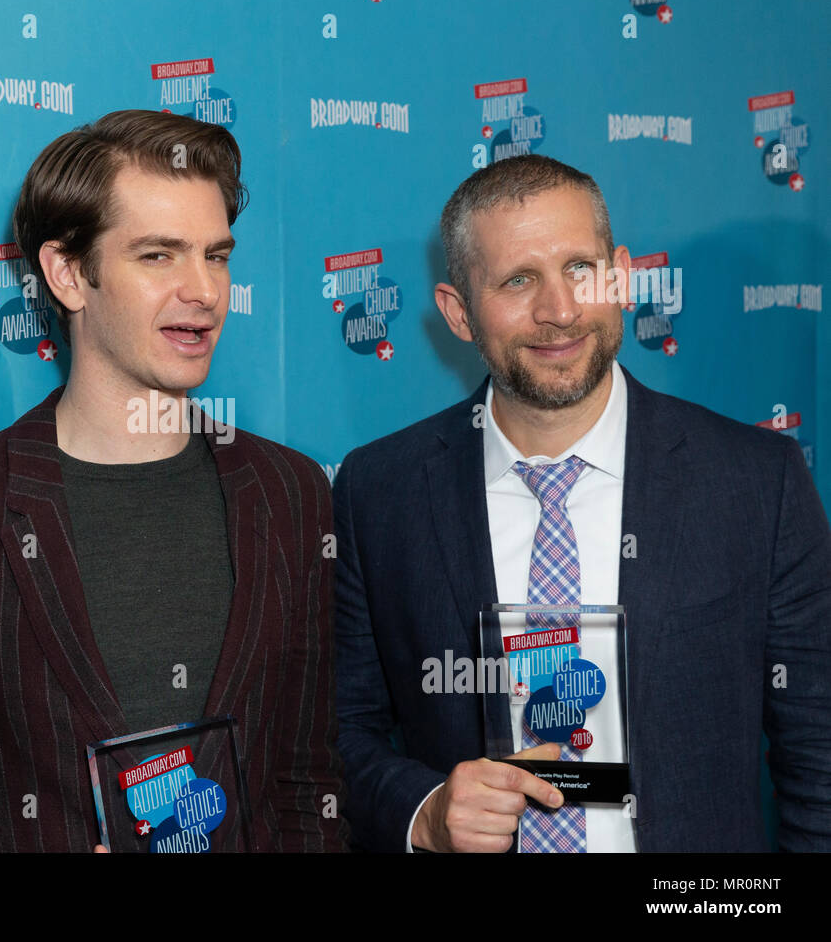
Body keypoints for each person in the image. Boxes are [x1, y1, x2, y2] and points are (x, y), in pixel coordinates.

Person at [0, 109, 346, 852]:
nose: (205, 291)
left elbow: (310, 783)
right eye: (159, 256)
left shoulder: (290, 492)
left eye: (217, 256)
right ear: (66, 274)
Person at [333, 154, 831, 852]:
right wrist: (428, 810)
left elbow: (819, 753)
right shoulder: (378, 490)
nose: (559, 310)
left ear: (621, 276)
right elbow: (339, 734)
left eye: (580, 269)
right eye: (518, 280)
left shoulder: (755, 481)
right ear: (458, 312)